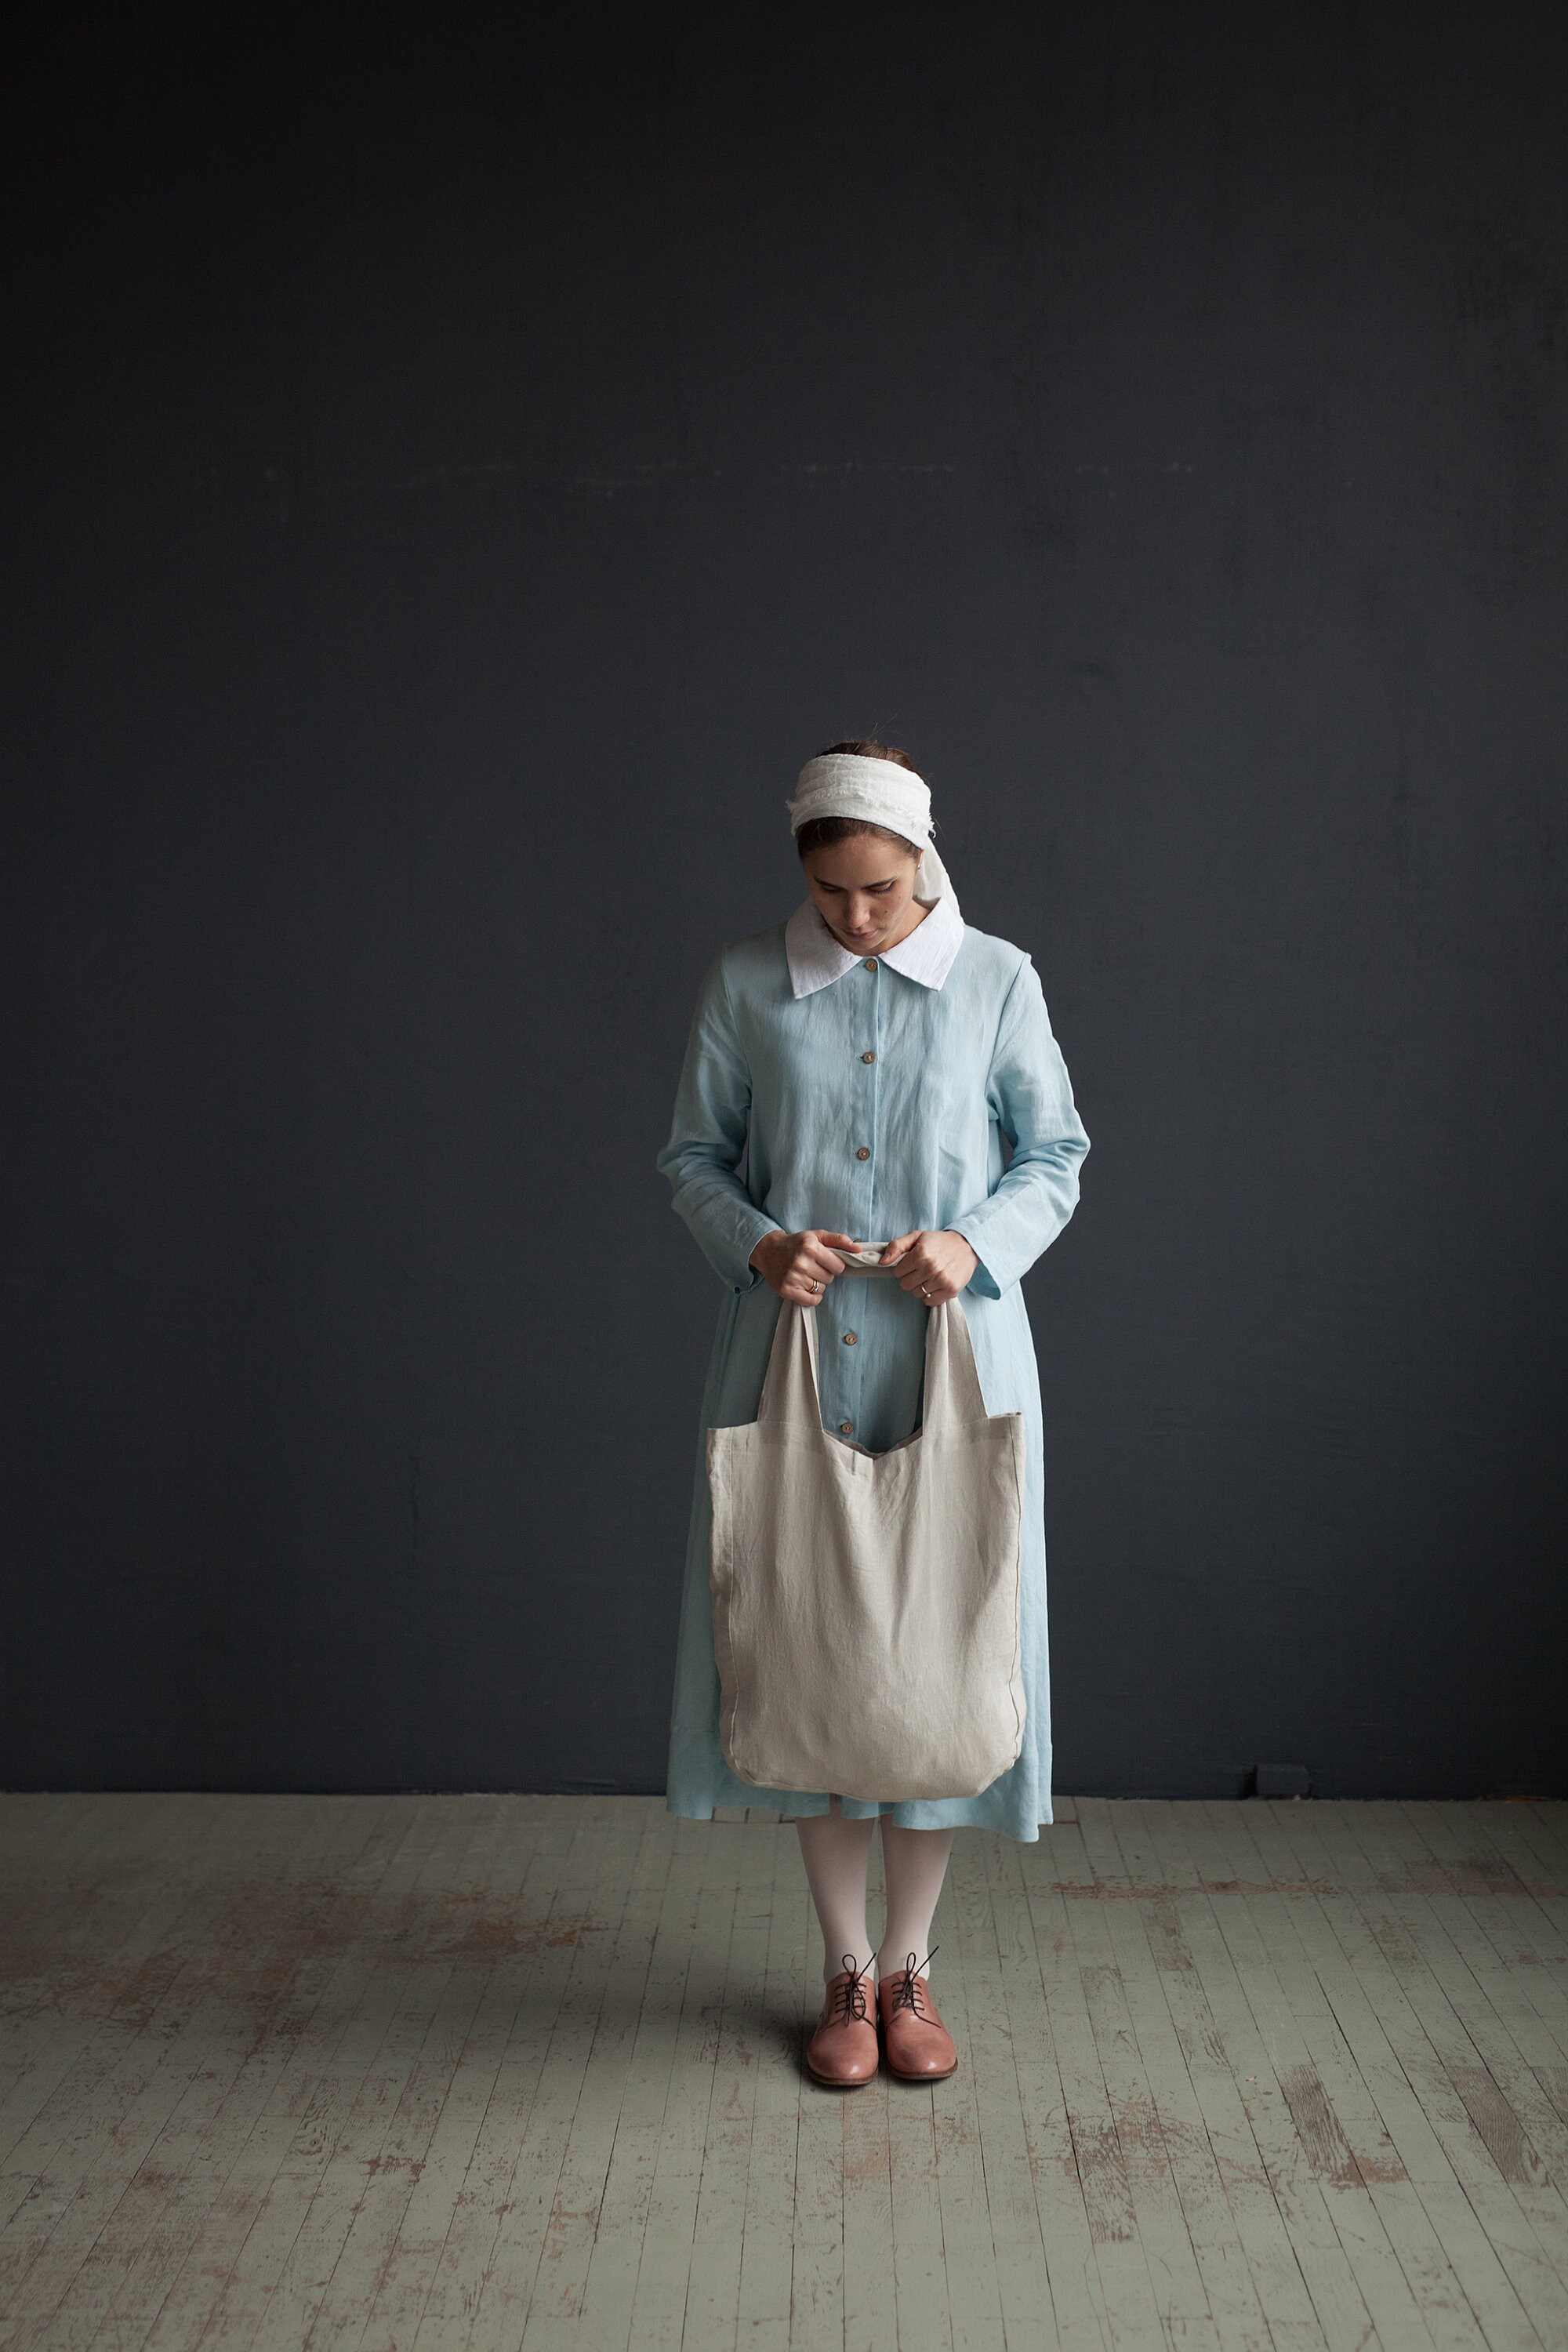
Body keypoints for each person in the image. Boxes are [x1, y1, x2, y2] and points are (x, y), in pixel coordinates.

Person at [655, 739, 1089, 2086]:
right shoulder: (745, 984)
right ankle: (843, 1970)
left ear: (925, 863)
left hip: (953, 1359)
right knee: (813, 1658)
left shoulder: (998, 980)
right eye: (832, 890)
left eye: (883, 891)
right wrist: (758, 1241)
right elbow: (693, 1157)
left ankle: (912, 1967)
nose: (857, 915)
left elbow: (1056, 1154)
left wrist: (976, 1241)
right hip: (788, 1357)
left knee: (937, 1665)